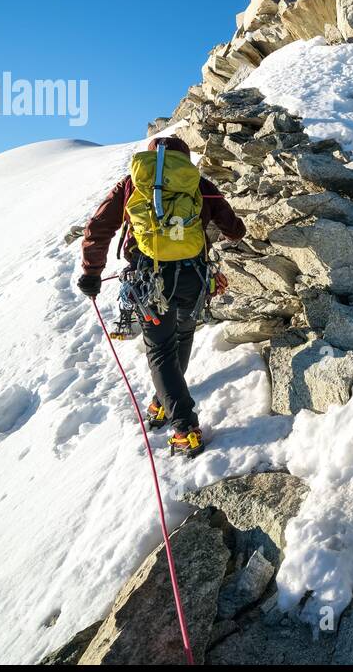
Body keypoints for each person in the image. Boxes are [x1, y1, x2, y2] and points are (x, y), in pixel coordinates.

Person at [77, 136, 245, 455]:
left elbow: (98, 228)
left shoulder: (131, 185)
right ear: (184, 159)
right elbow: (233, 228)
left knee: (160, 350)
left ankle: (183, 427)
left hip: (148, 280)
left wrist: (91, 274)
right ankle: (162, 402)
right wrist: (231, 229)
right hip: (193, 278)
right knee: (181, 337)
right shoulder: (199, 183)